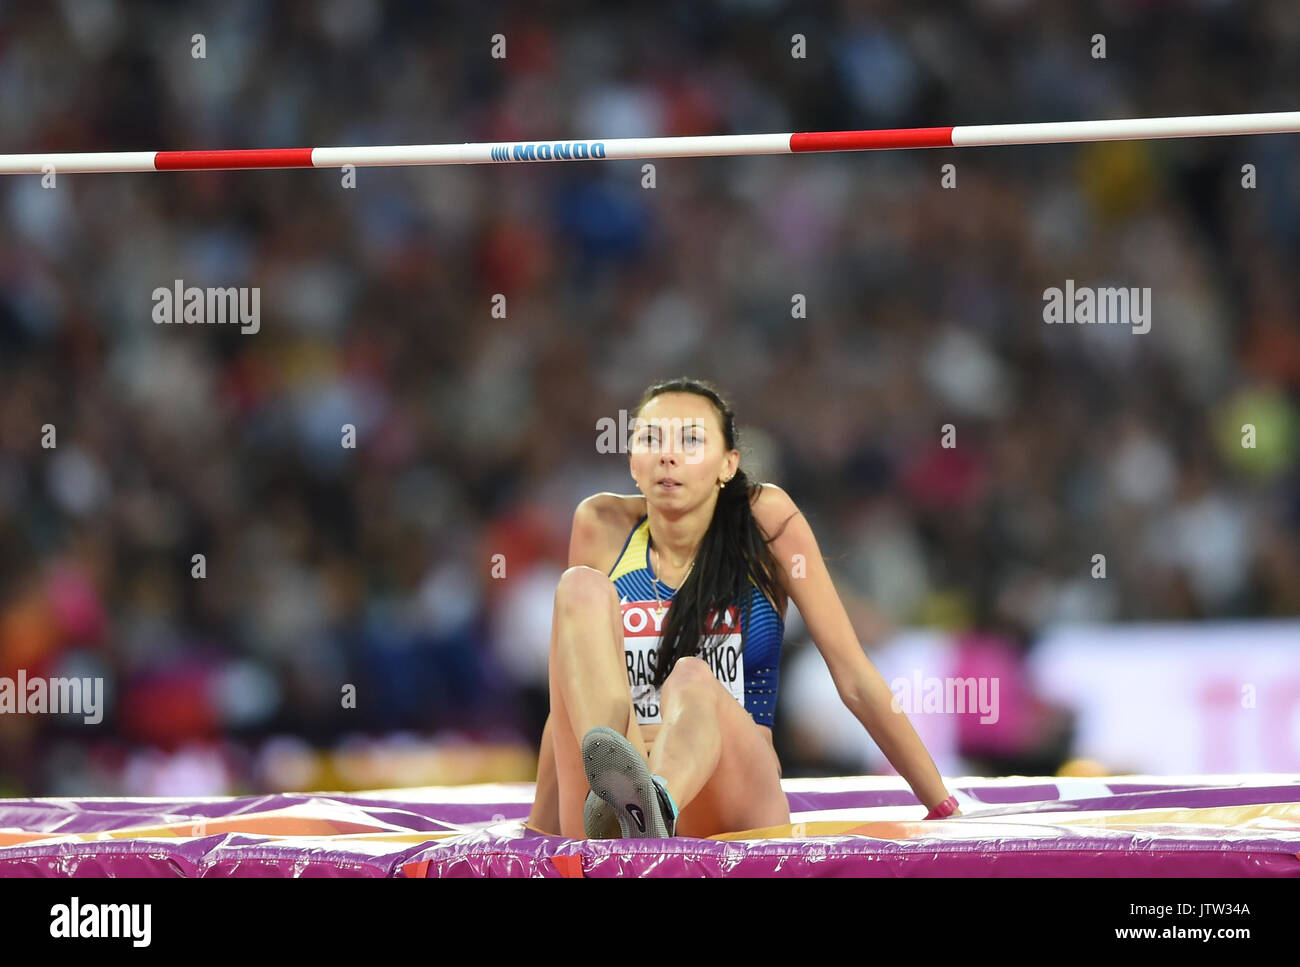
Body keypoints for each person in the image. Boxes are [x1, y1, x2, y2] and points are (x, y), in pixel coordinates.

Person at [526, 377, 960, 839]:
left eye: (691, 440)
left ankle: (654, 803)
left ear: (728, 464)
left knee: (692, 679)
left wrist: (941, 803)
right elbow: (568, 702)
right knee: (577, 589)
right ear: (633, 461)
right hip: (617, 787)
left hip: (731, 788)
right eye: (651, 439)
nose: (668, 455)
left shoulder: (766, 520)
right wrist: (533, 835)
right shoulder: (600, 524)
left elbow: (853, 675)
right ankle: (622, 805)